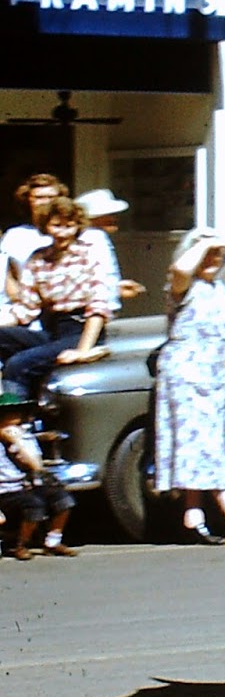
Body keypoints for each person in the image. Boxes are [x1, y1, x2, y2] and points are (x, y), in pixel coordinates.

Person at [153, 229, 225, 544]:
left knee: (205, 444)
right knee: (201, 445)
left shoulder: (219, 290)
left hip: (211, 375)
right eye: (208, 254)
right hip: (185, 372)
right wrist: (206, 242)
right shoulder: (184, 287)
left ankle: (193, 516)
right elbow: (181, 270)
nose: (213, 260)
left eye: (218, 255)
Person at [0, 197, 113, 397]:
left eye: (69, 226)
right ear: (46, 226)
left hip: (81, 330)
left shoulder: (88, 254)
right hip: (53, 331)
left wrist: (83, 350)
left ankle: (13, 422)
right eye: (56, 226)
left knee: (18, 364)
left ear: (78, 226)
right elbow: (25, 310)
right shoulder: (38, 259)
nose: (62, 232)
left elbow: (98, 307)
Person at [0, 392, 77, 559]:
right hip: (5, 491)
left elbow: (36, 465)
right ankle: (22, 544)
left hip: (25, 486)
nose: (15, 417)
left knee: (62, 499)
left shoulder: (24, 437)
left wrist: (18, 443)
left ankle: (53, 541)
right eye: (9, 414)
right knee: (34, 505)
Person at [75, 188, 146, 309]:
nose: (113, 219)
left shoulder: (98, 238)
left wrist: (116, 287)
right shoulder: (91, 238)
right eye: (106, 215)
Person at [1, 174, 65, 304]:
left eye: (51, 197)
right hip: (23, 306)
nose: (46, 201)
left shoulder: (68, 233)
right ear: (28, 200)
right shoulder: (15, 235)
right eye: (39, 197)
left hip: (63, 307)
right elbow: (8, 276)